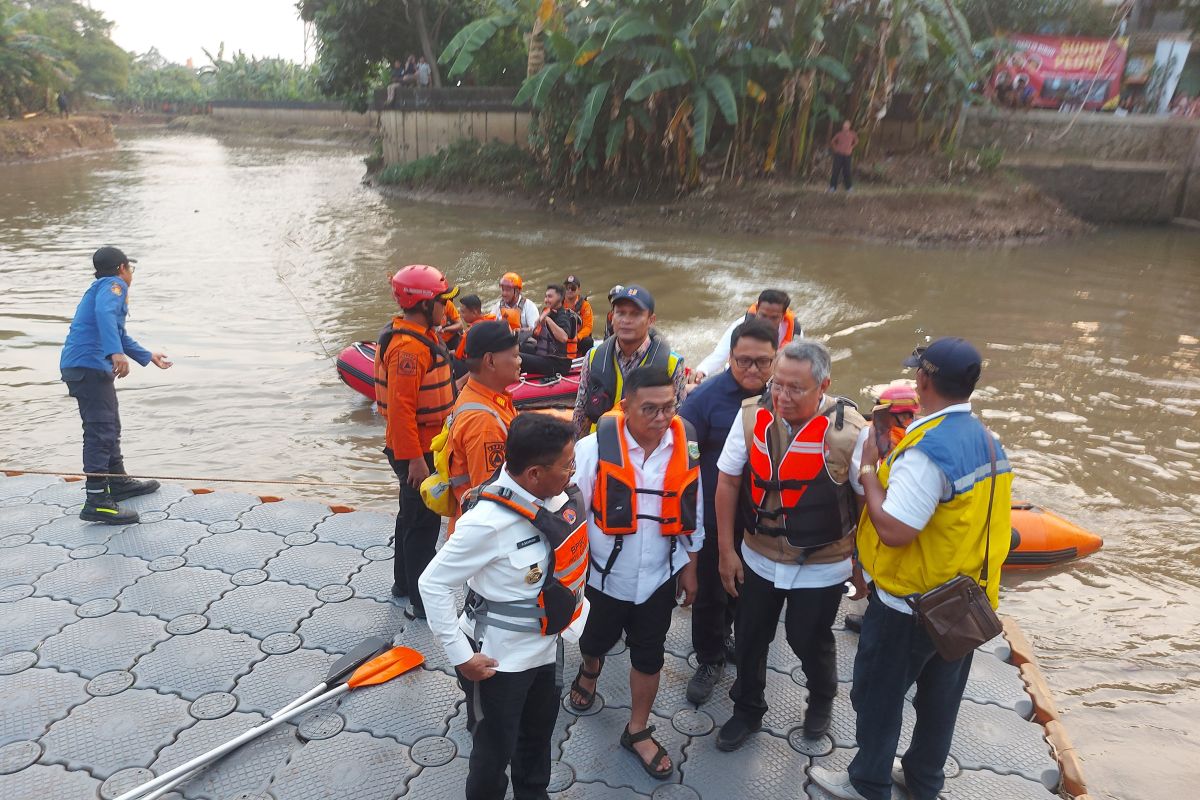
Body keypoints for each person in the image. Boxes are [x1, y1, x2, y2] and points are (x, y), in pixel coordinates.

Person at [809, 337, 1013, 800]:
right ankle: (923, 781)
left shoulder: (927, 450)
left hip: (910, 607)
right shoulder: (988, 440)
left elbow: (895, 530)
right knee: (940, 702)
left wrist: (867, 471)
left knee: (876, 696)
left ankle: (868, 782)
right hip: (962, 601)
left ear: (923, 380)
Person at [418, 412, 588, 800]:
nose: (572, 472)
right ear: (534, 473)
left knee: (537, 740)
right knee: (493, 754)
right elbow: (432, 583)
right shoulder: (486, 523)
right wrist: (461, 656)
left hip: (546, 652)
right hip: (498, 663)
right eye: (567, 465)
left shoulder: (556, 498)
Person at [713, 339, 868, 750]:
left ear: (824, 386)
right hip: (759, 555)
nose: (782, 395)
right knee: (749, 636)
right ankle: (747, 708)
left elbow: (865, 503)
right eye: (777, 384)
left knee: (808, 638)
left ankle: (821, 697)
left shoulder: (851, 433)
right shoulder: (751, 416)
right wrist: (727, 551)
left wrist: (862, 564)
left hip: (822, 565)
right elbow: (728, 480)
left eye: (795, 388)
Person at [567, 367, 702, 780]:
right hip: (603, 578)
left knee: (649, 654)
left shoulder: (686, 448)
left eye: (668, 408)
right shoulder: (592, 450)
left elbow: (694, 513)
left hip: (659, 577)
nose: (661, 418)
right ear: (625, 407)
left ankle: (638, 729)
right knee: (594, 640)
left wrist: (690, 569)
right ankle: (590, 669)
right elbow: (571, 515)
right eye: (650, 409)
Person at [678, 318, 778, 704]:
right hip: (714, 514)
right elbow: (685, 456)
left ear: (775, 359)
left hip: (764, 517)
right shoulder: (705, 399)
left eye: (762, 361)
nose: (752, 369)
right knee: (710, 590)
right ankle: (709, 657)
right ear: (730, 357)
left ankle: (728, 635)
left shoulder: (782, 396)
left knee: (746, 587)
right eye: (743, 361)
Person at [60, 247, 172, 525]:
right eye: (130, 269)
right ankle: (97, 501)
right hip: (88, 366)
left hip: (86, 366)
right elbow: (105, 316)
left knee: (109, 425)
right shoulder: (114, 285)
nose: (131, 274)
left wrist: (147, 355)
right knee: (100, 430)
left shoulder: (99, 287)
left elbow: (116, 332)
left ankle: (118, 483)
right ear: (122, 267)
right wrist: (115, 353)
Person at [373, 264, 459, 619]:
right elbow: (401, 409)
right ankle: (423, 603)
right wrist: (415, 460)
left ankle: (404, 585)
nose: (447, 307)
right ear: (424, 304)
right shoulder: (408, 350)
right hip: (415, 450)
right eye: (442, 301)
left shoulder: (420, 334)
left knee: (410, 516)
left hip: (421, 445)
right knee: (423, 525)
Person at [571, 285, 686, 439]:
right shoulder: (593, 356)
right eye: (620, 313)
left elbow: (677, 416)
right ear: (612, 317)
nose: (626, 320)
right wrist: (577, 446)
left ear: (651, 320)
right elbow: (580, 410)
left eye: (635, 314)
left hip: (647, 446)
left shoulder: (672, 363)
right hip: (601, 443)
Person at [444, 321, 522, 517]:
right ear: (490, 361)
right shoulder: (484, 422)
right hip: (486, 528)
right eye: (515, 356)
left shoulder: (479, 395)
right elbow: (490, 501)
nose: (520, 361)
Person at [692, 289, 800, 382]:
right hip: (739, 374)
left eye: (774, 318)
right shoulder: (741, 326)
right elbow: (720, 354)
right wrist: (702, 371)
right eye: (763, 315)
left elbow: (796, 362)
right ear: (757, 310)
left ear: (783, 316)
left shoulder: (794, 332)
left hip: (769, 378)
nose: (767, 322)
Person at [518, 284, 578, 377]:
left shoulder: (564, 316)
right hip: (545, 356)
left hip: (558, 364)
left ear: (560, 298)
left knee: (518, 357)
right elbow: (537, 335)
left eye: (550, 297)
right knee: (518, 348)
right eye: (546, 296)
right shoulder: (549, 312)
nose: (546, 300)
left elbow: (563, 338)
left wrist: (547, 320)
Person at [453, 294, 497, 360]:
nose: (461, 315)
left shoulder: (472, 332)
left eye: (463, 312)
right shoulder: (490, 320)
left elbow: (461, 356)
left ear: (474, 312)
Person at [563, 275, 595, 353]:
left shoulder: (585, 305)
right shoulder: (559, 303)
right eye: (567, 288)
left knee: (588, 341)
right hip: (563, 336)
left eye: (573, 288)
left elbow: (588, 327)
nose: (570, 290)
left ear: (579, 290)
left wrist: (578, 337)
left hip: (578, 338)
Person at [829, 120, 858, 193]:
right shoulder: (839, 134)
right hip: (839, 155)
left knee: (847, 171)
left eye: (847, 125)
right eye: (844, 125)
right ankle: (832, 187)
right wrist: (836, 148)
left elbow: (856, 141)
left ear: (849, 126)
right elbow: (832, 141)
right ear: (843, 126)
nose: (845, 127)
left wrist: (852, 147)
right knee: (835, 171)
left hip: (848, 155)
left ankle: (849, 188)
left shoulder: (852, 134)